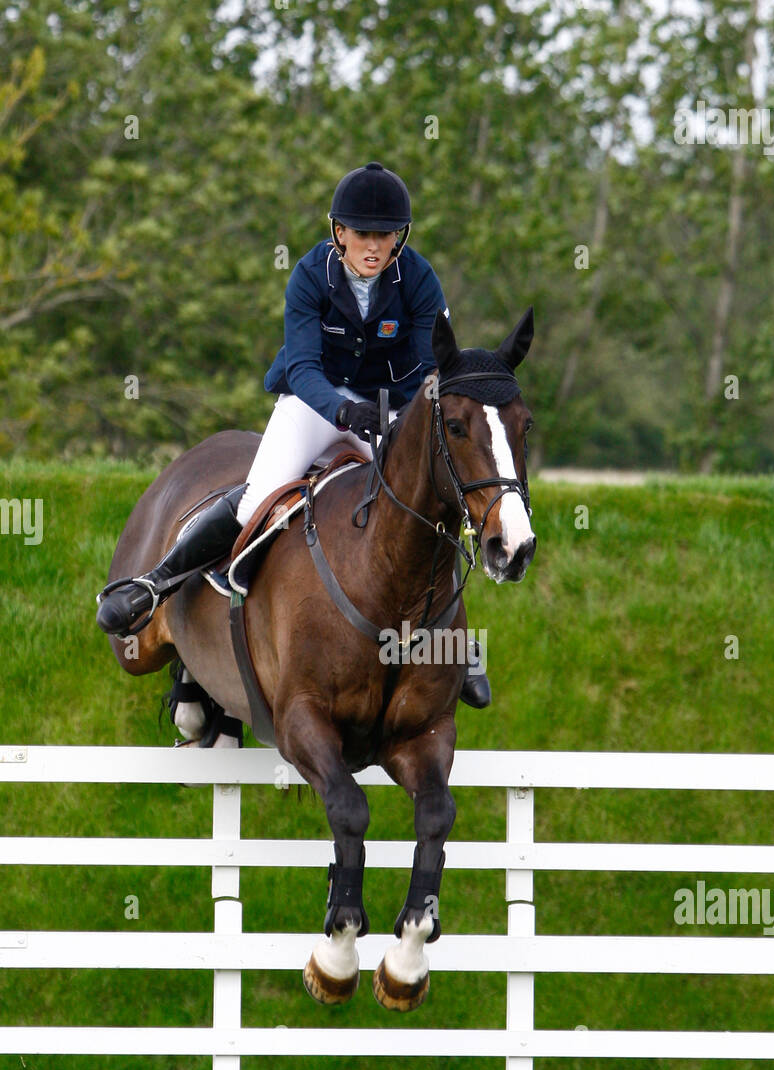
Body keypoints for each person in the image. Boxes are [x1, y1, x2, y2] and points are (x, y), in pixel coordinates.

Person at [96, 161, 489, 706]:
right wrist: (343, 412)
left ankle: (455, 647)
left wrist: (397, 413)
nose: (374, 247)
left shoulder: (419, 279)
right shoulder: (309, 274)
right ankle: (156, 583)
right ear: (339, 233)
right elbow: (303, 367)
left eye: (386, 235)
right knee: (258, 497)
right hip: (313, 402)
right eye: (363, 235)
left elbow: (432, 365)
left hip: (387, 408)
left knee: (431, 496)